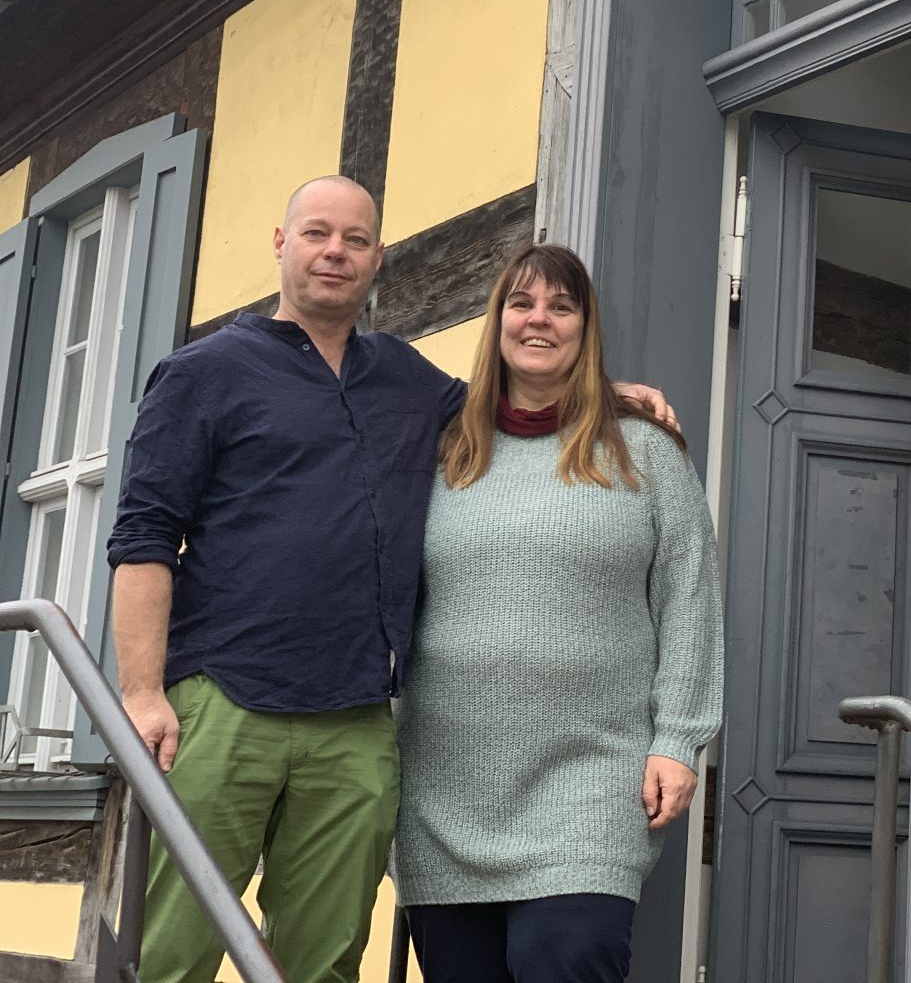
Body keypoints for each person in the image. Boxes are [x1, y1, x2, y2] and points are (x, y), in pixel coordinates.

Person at [106, 177, 672, 983]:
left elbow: (509, 402)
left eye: (356, 240)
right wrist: (141, 692)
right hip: (223, 704)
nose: (335, 252)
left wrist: (607, 393)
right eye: (317, 234)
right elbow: (145, 536)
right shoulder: (203, 373)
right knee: (178, 949)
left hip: (359, 721)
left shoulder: (406, 379)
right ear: (281, 243)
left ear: (377, 258)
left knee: (329, 957)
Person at [392, 243, 723, 983]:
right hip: (444, 793)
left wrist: (679, 736)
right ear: (498, 322)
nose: (539, 319)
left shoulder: (644, 448)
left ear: (585, 326)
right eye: (522, 303)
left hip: (590, 783)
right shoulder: (443, 452)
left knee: (567, 959)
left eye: (561, 306)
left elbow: (690, 596)